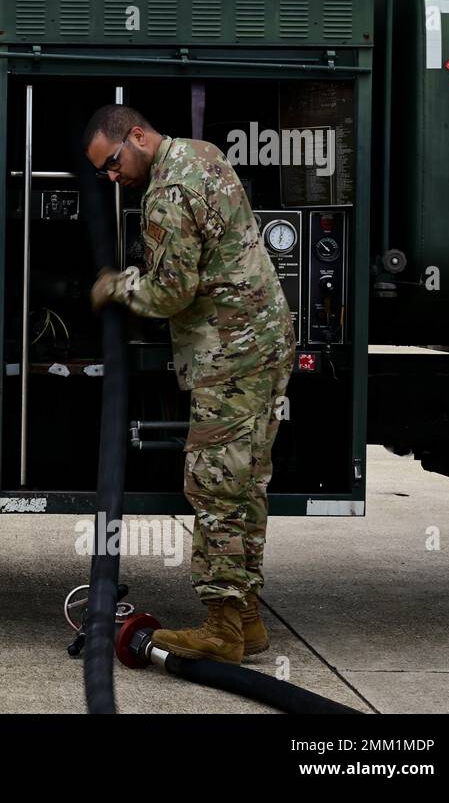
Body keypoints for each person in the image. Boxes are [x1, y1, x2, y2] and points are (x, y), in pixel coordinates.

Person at [83, 104, 296, 664]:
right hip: (266, 342)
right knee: (246, 484)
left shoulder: (166, 194)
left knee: (214, 487)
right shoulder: (204, 154)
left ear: (136, 136)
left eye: (112, 163)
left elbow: (170, 293)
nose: (112, 177)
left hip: (230, 355)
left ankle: (223, 629)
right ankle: (247, 618)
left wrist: (116, 286)